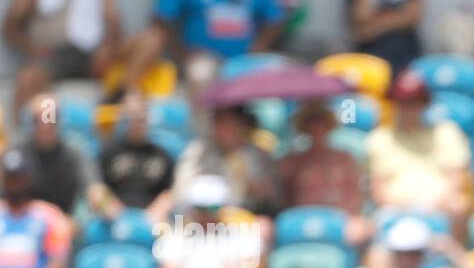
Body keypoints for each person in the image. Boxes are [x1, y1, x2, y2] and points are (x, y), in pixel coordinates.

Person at [118, 0, 285, 94]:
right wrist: (181, 53)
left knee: (279, 74)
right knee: (200, 75)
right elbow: (162, 17)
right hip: (204, 59)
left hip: (245, 59)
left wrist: (260, 45)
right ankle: (204, 126)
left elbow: (275, 18)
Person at [2, 0, 123, 110]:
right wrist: (31, 47)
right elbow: (10, 24)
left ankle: (116, 128)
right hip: (53, 56)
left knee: (126, 71)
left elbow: (114, 23)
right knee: (28, 79)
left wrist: (106, 49)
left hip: (89, 56)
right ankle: (32, 133)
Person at [366, 69, 471, 217]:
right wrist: (405, 209)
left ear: (424, 104)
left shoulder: (447, 132)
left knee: (458, 205)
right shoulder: (379, 138)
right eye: (403, 103)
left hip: (441, 207)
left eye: (414, 103)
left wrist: (432, 206)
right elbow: (378, 190)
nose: (408, 109)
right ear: (394, 105)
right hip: (394, 210)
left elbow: (458, 180)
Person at [172, 105, 280, 216]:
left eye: (232, 123)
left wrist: (246, 177)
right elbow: (181, 192)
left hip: (247, 217)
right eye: (219, 122)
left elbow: (272, 197)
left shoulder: (258, 155)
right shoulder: (198, 152)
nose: (226, 130)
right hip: (203, 217)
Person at [18, 92, 105, 216]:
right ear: (30, 122)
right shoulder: (17, 153)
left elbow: (95, 188)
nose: (45, 126)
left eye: (50, 118)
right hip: (25, 220)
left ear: (60, 120)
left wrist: (107, 206)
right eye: (38, 119)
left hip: (68, 221)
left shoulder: (77, 151)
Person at [95, 92, 176, 220]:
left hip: (153, 218)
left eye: (140, 118)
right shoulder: (108, 153)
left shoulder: (162, 156)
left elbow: (169, 193)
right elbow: (98, 189)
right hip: (115, 219)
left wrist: (153, 214)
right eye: (130, 118)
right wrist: (116, 213)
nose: (135, 123)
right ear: (122, 119)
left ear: (148, 118)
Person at [0, 148, 71, 268]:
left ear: (28, 179)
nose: (14, 183)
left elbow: (58, 261)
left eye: (18, 178)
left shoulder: (49, 216)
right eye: (10, 178)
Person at [277, 101, 365, 214]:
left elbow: (355, 193)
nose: (317, 127)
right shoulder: (293, 161)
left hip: (340, 218)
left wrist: (348, 217)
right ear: (304, 126)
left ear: (329, 125)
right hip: (304, 220)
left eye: (321, 121)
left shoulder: (345, 158)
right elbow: (285, 197)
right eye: (312, 122)